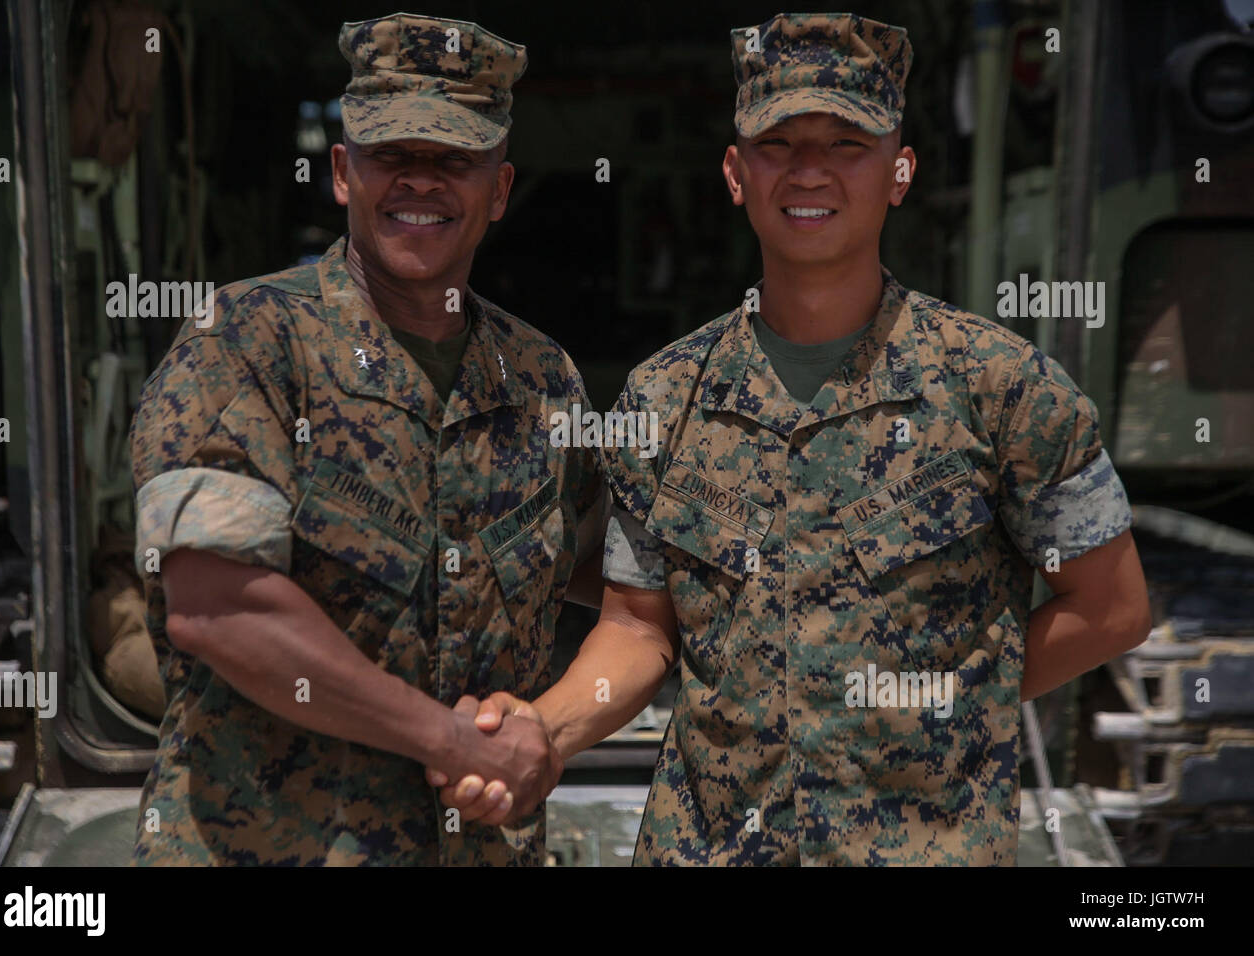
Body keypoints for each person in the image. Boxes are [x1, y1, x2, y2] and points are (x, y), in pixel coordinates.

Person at [429, 12, 1151, 865]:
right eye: (779, 143)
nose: (810, 169)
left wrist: (937, 705)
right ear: (737, 173)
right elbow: (639, 629)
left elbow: (1111, 609)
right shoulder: (666, 397)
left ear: (900, 172)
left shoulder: (1002, 389)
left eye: (848, 142)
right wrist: (542, 730)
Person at [128, 12, 606, 866]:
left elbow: (613, 582)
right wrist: (450, 742)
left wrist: (547, 731)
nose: (421, 183)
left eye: (454, 160)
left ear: (498, 192)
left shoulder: (542, 381)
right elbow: (214, 605)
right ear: (345, 173)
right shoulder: (247, 339)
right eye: (394, 157)